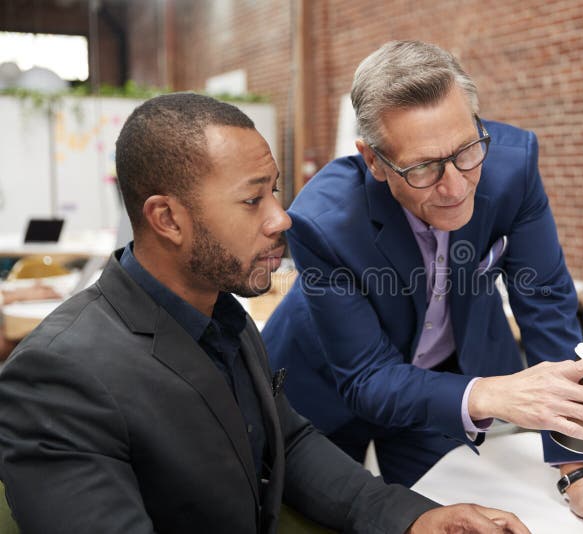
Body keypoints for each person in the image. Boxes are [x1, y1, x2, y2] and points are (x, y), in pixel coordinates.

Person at [0, 93, 530, 534]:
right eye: (253, 200)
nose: (282, 218)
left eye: (274, 190)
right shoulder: (59, 377)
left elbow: (287, 444)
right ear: (167, 218)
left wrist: (413, 518)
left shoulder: (224, 319)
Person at [263, 41, 583, 532]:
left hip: (438, 389)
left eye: (466, 151)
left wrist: (580, 471)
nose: (456, 187)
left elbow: (545, 306)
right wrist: (486, 394)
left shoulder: (511, 169)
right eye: (423, 167)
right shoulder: (323, 221)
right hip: (325, 392)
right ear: (373, 161)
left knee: (460, 516)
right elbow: (366, 378)